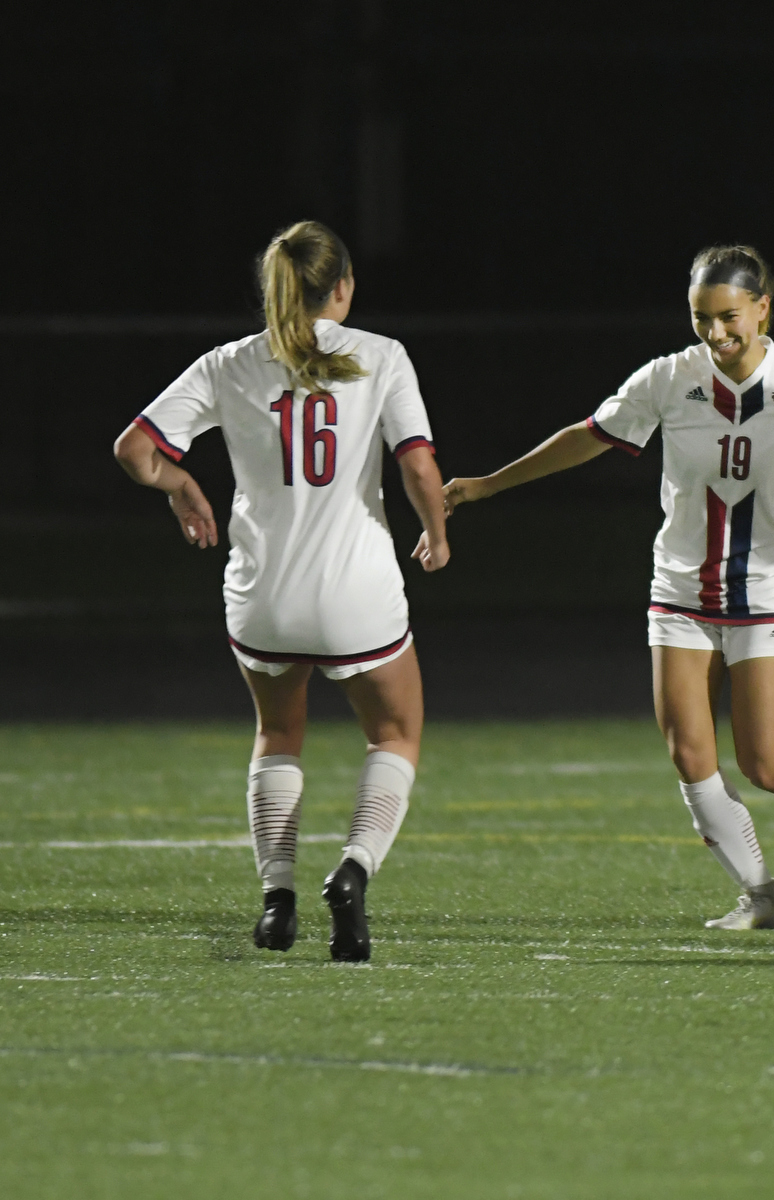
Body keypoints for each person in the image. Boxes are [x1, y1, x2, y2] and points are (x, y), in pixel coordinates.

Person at [440, 246, 774, 930]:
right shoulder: (668, 378)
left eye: (730, 317)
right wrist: (487, 484)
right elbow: (589, 437)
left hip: (768, 592)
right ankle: (760, 893)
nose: (716, 333)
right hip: (680, 591)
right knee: (690, 755)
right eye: (702, 318)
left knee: (769, 765)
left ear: (763, 309)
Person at [113, 220, 447, 963]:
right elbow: (419, 466)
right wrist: (438, 533)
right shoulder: (382, 355)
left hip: (263, 593)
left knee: (277, 735)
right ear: (345, 288)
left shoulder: (230, 363)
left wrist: (179, 485)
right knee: (394, 734)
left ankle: (277, 901)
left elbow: (136, 452)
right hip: (355, 594)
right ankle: (354, 870)